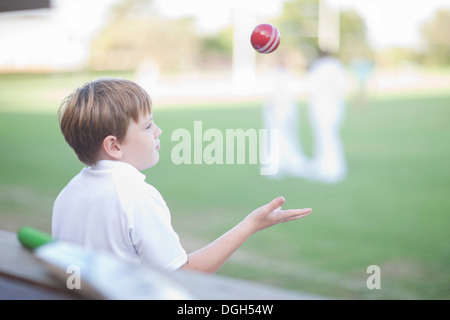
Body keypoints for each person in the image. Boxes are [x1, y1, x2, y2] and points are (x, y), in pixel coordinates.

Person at [53, 78, 312, 273]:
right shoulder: (135, 195)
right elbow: (182, 274)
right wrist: (251, 224)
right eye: (147, 126)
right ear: (114, 146)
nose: (159, 131)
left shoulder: (68, 193)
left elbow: (71, 277)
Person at [305, 51, 348, 184]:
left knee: (325, 138)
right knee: (330, 136)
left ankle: (330, 168)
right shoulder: (336, 66)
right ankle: (326, 166)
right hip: (335, 107)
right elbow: (342, 87)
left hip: (321, 107)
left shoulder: (319, 67)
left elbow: (311, 88)